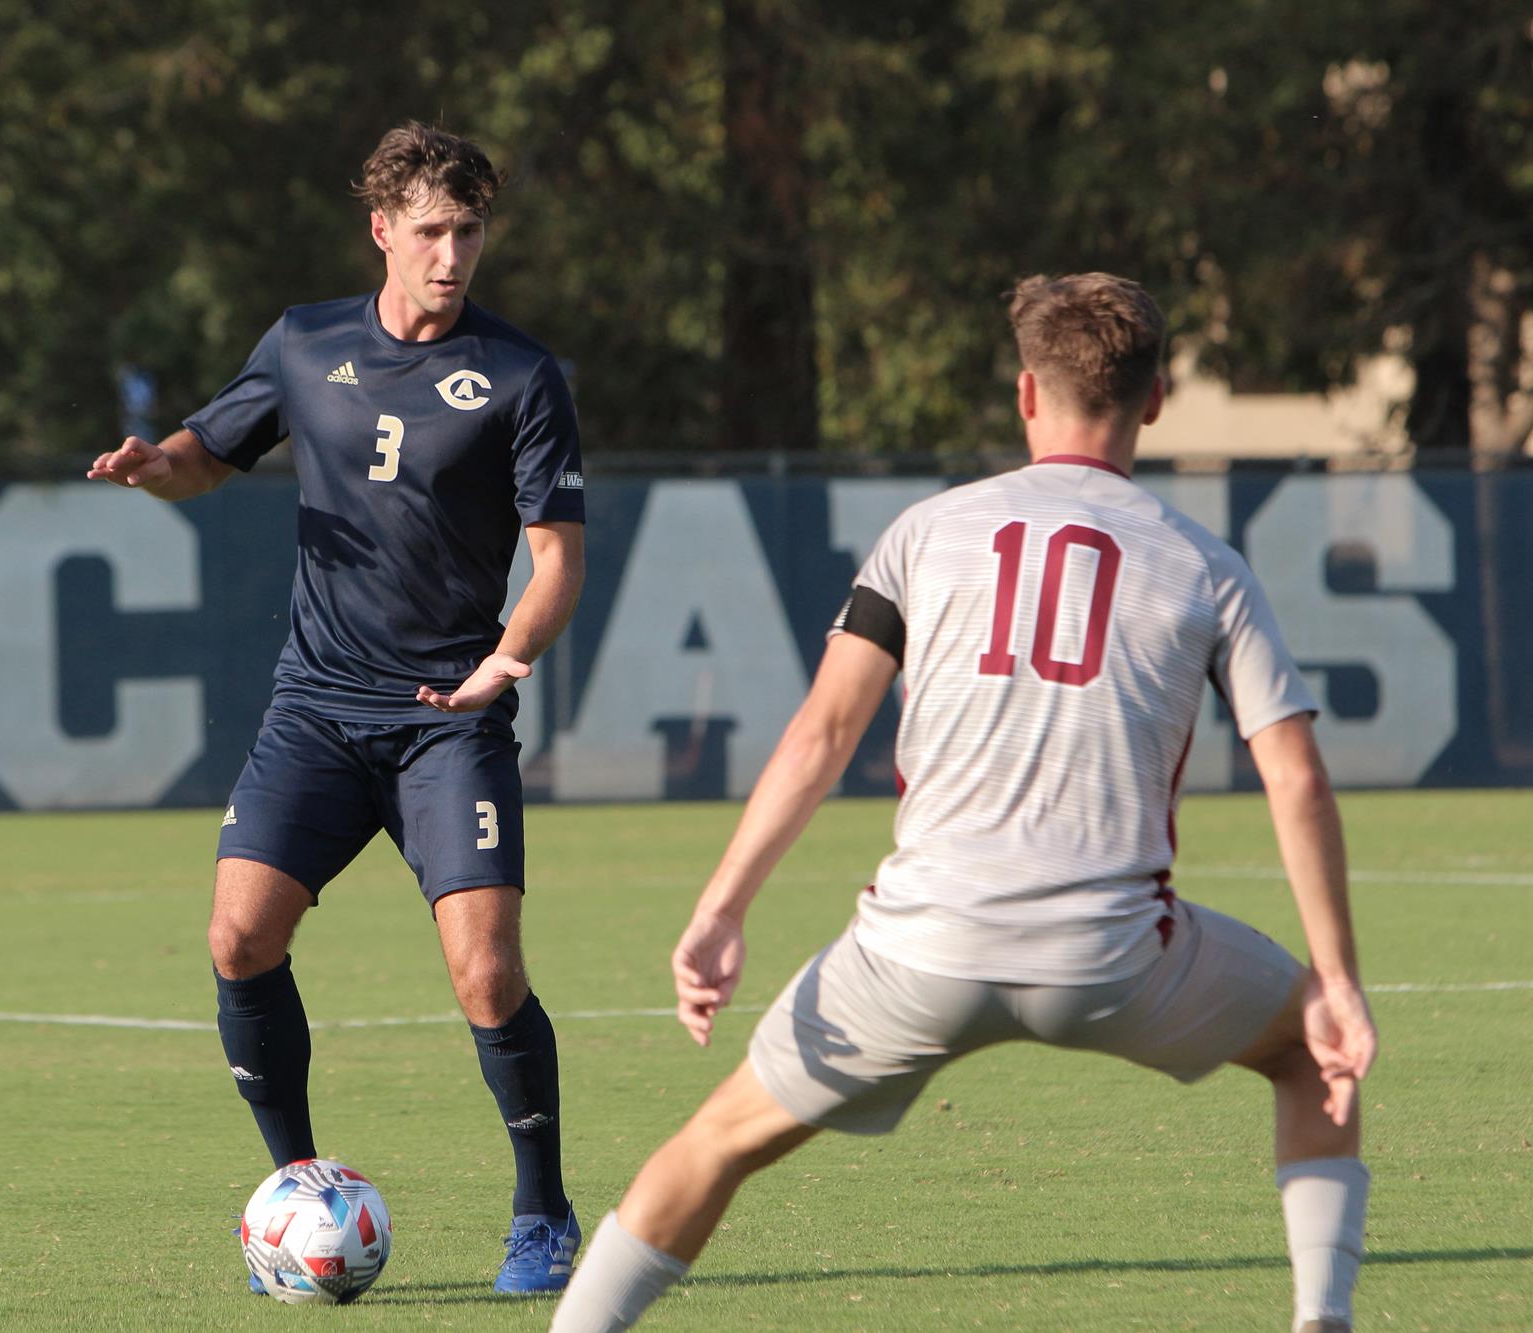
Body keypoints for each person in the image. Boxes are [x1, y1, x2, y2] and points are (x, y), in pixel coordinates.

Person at [551, 273, 1377, 1333]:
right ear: (1157, 397)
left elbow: (819, 735)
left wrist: (719, 910)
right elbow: (1295, 774)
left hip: (915, 952)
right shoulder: (1202, 565)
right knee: (1311, 1050)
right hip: (1115, 954)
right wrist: (1338, 980)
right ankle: (1321, 1319)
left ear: (1025, 394)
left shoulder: (926, 531)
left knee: (713, 1143)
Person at [88, 122, 588, 1295]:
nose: (451, 254)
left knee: (484, 974)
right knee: (238, 936)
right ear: (381, 231)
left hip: (446, 717)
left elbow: (557, 561)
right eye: (429, 231)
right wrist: (154, 463)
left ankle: (543, 1213)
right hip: (314, 706)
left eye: (469, 231)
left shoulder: (520, 376)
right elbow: (211, 453)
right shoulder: (304, 342)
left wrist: (501, 665)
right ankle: (300, 1184)